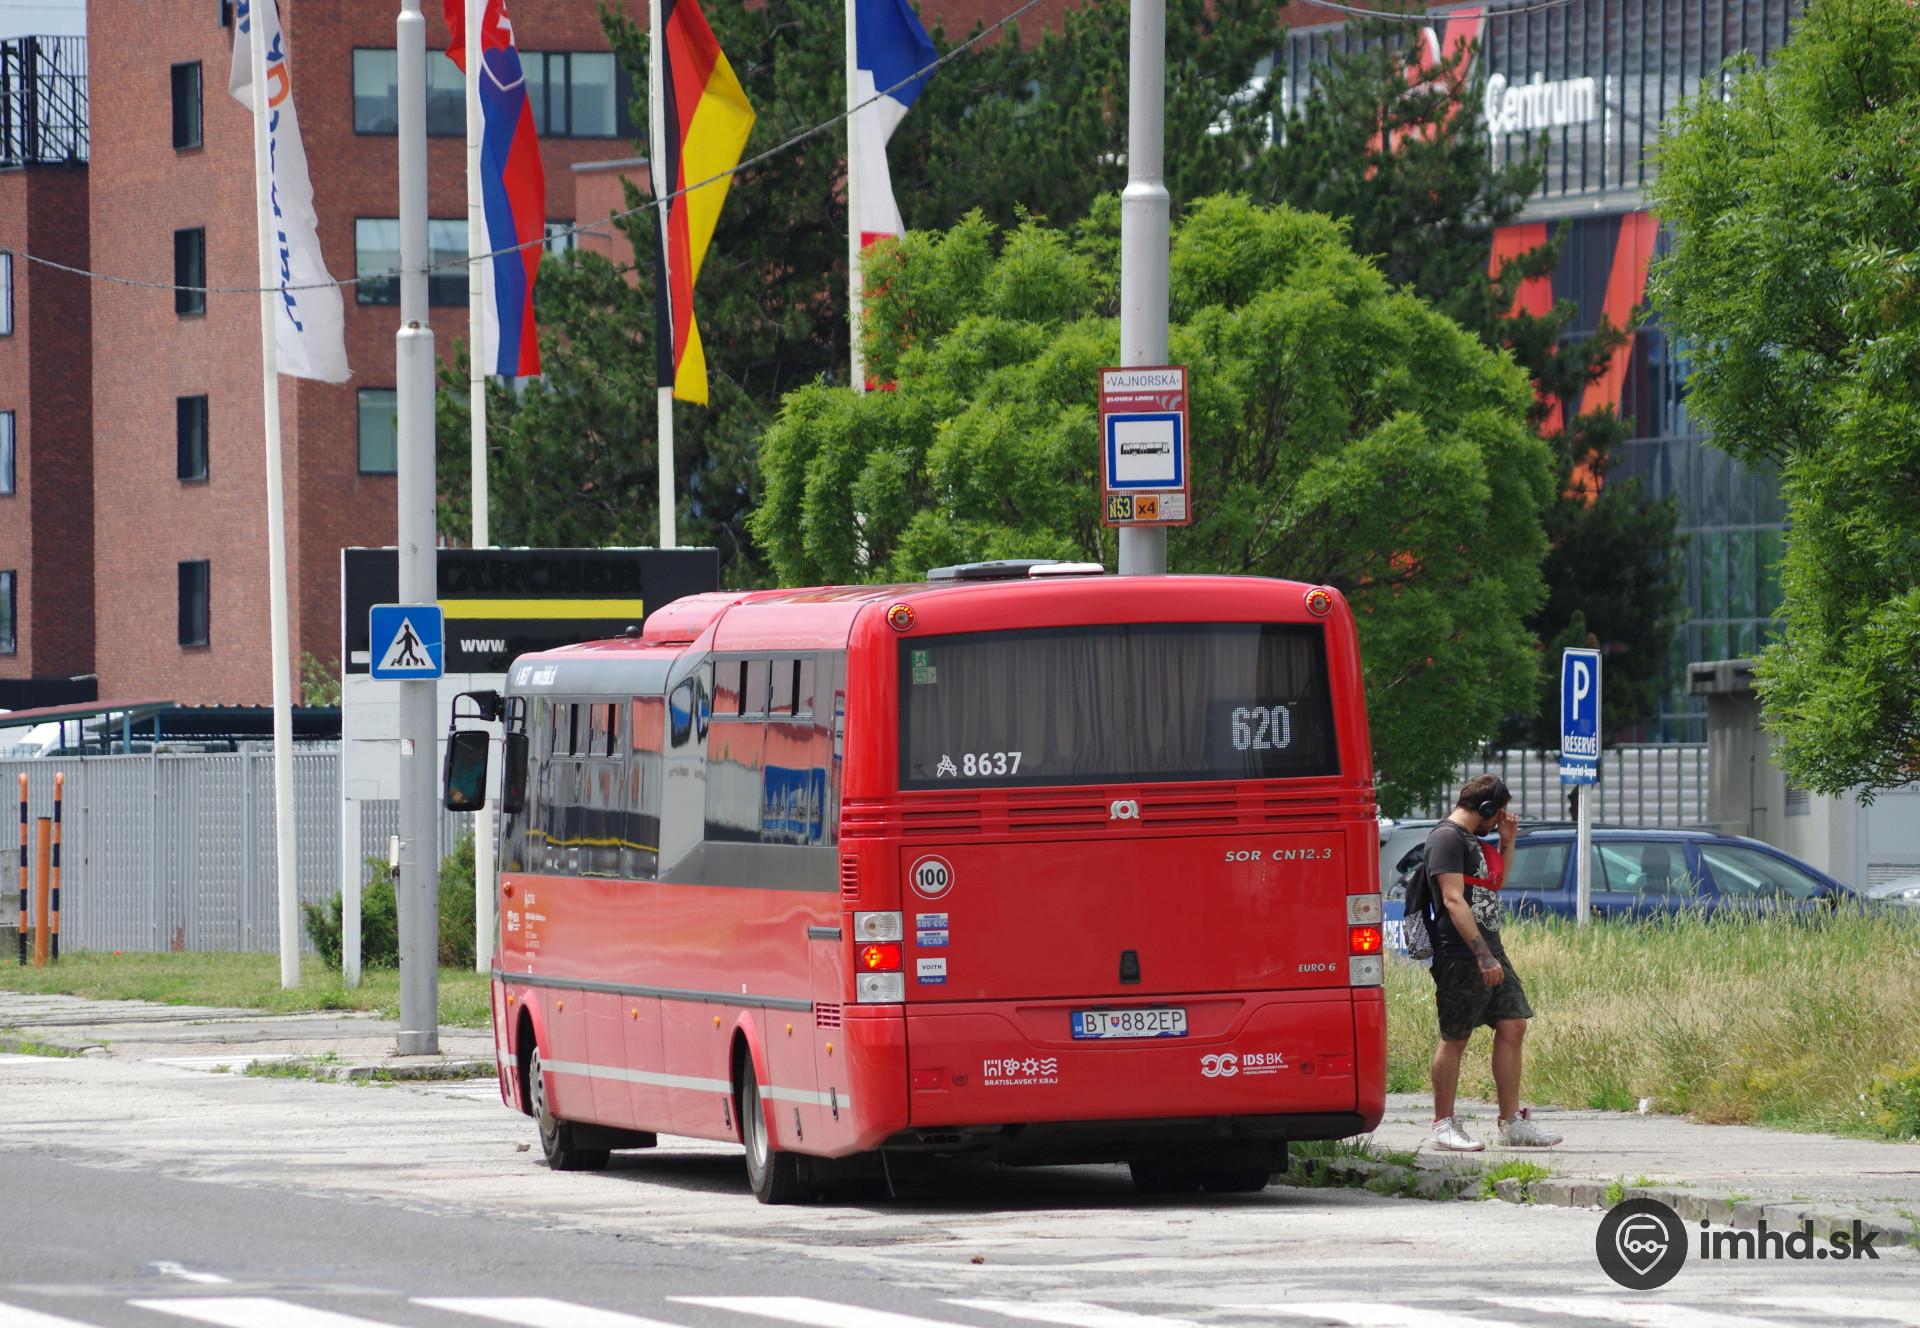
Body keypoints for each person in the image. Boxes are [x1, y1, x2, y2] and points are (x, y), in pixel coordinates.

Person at [1424, 774, 1562, 1151]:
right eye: (1497, 814)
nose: (1499, 819)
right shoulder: (1446, 838)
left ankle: (1510, 1122)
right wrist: (1481, 955)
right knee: (1456, 1035)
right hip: (1462, 953)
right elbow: (1453, 900)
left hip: (1489, 948)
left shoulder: (1471, 841)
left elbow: (1493, 884)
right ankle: (1443, 1124)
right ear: (1485, 808)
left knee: (1513, 1024)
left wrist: (1507, 842)